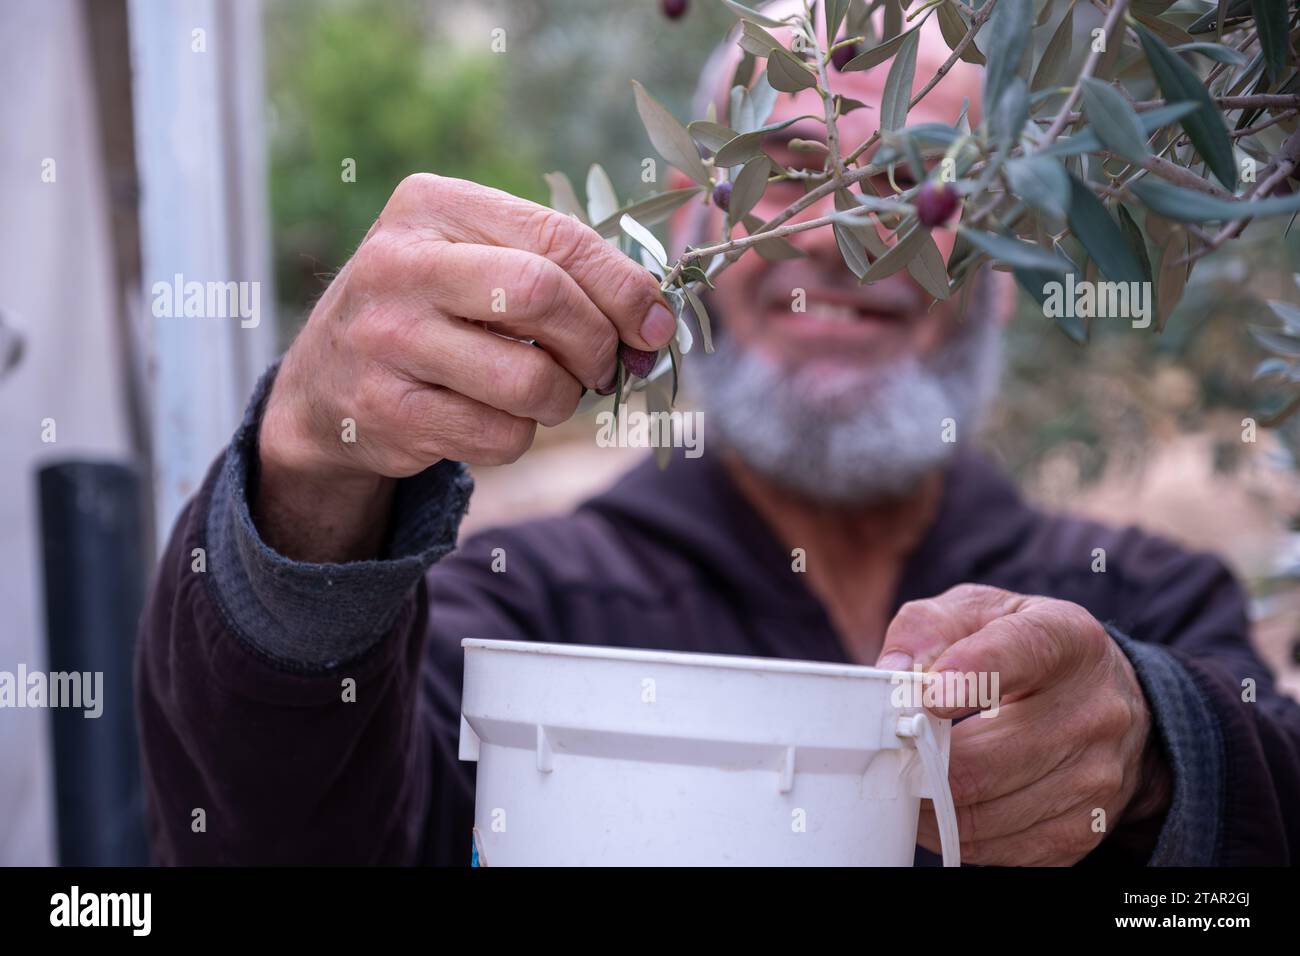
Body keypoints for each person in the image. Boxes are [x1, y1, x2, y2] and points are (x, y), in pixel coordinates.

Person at [136, 15, 1300, 866]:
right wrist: (308, 467)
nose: (845, 242)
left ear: (1004, 275)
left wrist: (1158, 751)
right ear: (684, 233)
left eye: (916, 190)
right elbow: (279, 834)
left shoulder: (1149, 605)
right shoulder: (523, 606)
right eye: (790, 179)